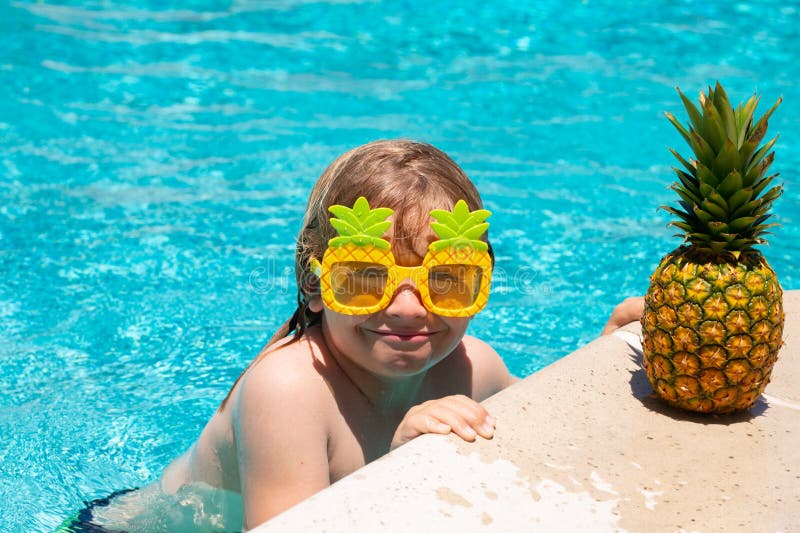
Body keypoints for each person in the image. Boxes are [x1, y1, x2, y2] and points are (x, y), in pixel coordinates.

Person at [58, 140, 640, 532]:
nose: (409, 309)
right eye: (365, 279)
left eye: (446, 280)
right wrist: (397, 469)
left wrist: (602, 353)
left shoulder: (471, 365)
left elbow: (550, 429)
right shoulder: (288, 392)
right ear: (315, 286)